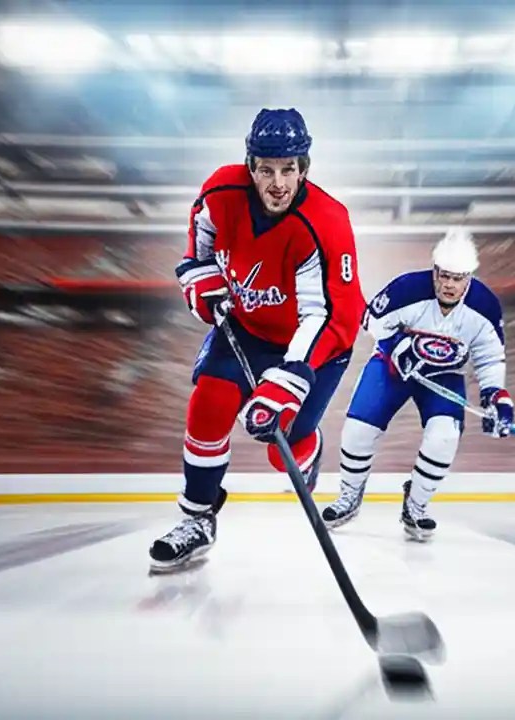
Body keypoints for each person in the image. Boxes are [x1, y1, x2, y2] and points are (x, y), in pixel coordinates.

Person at [150, 108, 366, 571]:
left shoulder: (326, 223)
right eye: (266, 169)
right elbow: (198, 250)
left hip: (317, 347)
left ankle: (306, 450)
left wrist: (289, 377)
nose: (277, 183)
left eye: (289, 169)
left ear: (304, 168)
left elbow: (331, 317)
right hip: (247, 330)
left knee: (280, 446)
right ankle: (197, 518)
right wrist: (198, 280)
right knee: (207, 406)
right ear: (250, 167)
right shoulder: (219, 192)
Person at [321, 228, 515, 541]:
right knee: (358, 429)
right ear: (434, 270)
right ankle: (349, 496)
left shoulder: (486, 306)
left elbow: (489, 357)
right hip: (392, 368)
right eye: (444, 276)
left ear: (469, 277)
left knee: (444, 437)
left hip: (444, 375)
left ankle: (417, 505)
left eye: (458, 278)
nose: (450, 285)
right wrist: (399, 345)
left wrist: (497, 397)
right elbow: (371, 319)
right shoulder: (407, 287)